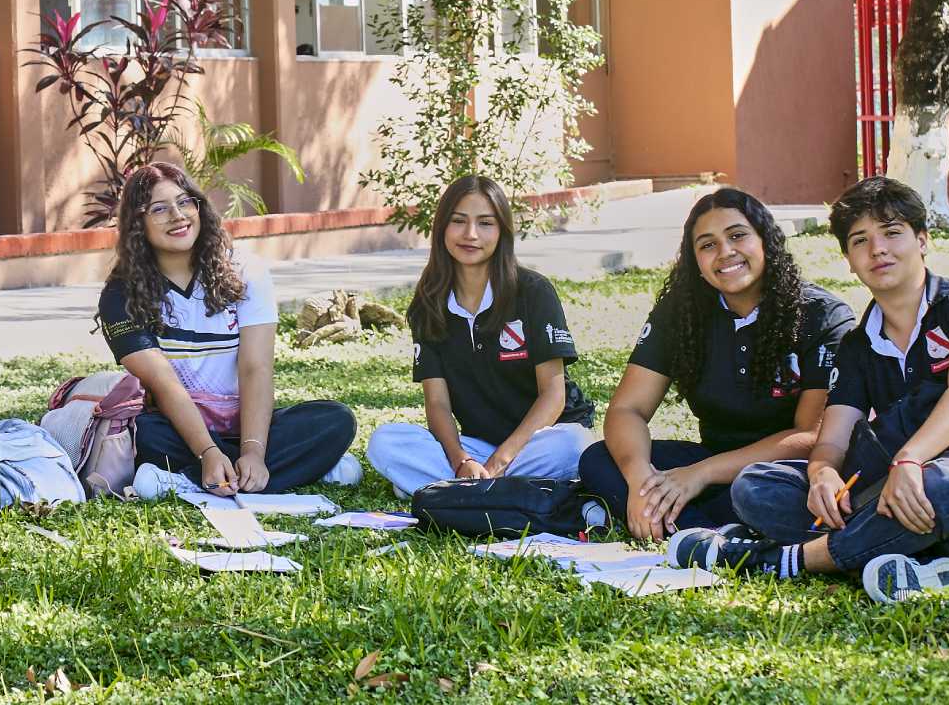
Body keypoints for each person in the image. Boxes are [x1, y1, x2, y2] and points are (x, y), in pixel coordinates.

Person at [673, 177, 949, 603]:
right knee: (756, 485)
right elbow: (832, 438)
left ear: (922, 240)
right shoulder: (858, 345)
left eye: (892, 233)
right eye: (861, 240)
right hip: (894, 494)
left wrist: (910, 460)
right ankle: (917, 566)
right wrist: (822, 475)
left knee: (945, 483)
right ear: (848, 260)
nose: (878, 249)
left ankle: (788, 560)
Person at [579, 188, 854, 539]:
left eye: (738, 235)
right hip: (715, 460)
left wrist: (700, 474)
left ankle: (699, 532)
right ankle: (716, 536)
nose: (725, 252)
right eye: (707, 245)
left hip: (785, 472)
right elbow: (627, 409)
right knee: (600, 460)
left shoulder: (821, 315)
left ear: (766, 241)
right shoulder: (682, 313)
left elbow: (811, 435)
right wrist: (641, 482)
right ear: (694, 259)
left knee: (754, 493)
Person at [98, 162, 357, 498]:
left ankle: (194, 480)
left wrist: (253, 451)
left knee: (334, 420)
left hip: (245, 423)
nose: (177, 215)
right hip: (179, 428)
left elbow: (256, 367)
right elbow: (164, 384)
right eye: (159, 209)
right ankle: (294, 470)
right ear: (138, 224)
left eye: (185, 201)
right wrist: (207, 451)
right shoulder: (119, 295)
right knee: (144, 434)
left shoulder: (245, 269)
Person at [367, 176, 593, 498]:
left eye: (485, 223)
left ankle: (452, 489)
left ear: (502, 232)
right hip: (478, 445)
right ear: (442, 228)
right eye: (458, 221)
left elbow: (553, 397)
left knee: (574, 447)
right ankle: (486, 485)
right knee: (385, 442)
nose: (470, 235)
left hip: (541, 439)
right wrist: (462, 460)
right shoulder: (428, 304)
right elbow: (437, 402)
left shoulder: (533, 292)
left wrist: (499, 462)